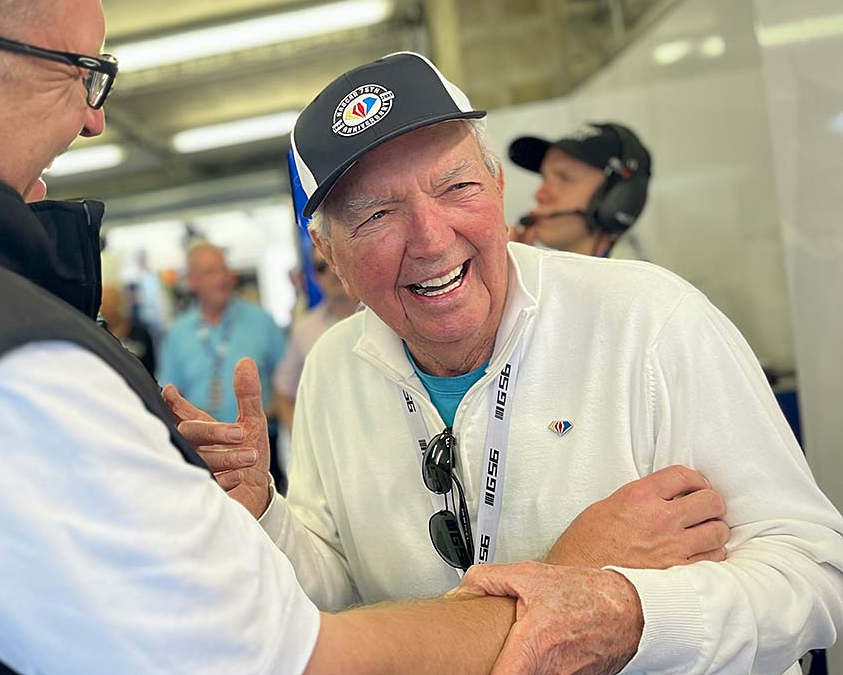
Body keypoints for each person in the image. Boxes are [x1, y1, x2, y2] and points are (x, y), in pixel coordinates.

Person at [0, 0, 689, 674]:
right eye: (74, 70)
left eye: (454, 186)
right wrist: (572, 587)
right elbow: (291, 663)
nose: (93, 117)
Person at [170, 51, 843, 675]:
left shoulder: (649, 321)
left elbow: (814, 572)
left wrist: (627, 613)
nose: (432, 240)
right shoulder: (331, 372)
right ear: (328, 253)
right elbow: (340, 590)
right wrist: (263, 511)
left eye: (456, 186)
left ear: (495, 185)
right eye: (378, 214)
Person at [157, 242, 286, 424]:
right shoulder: (178, 332)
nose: (221, 279)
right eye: (211, 272)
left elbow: (289, 381)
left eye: (224, 270)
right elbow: (170, 392)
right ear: (192, 281)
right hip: (203, 443)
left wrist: (271, 413)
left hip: (260, 437)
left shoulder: (262, 321)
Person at [507, 123, 651, 258]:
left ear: (620, 199)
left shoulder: (639, 284)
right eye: (544, 178)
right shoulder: (540, 275)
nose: (539, 195)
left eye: (565, 178)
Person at [272, 252, 358, 433]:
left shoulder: (385, 315)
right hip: (336, 445)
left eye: (335, 260)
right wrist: (301, 441)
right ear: (315, 277)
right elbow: (284, 391)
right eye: (322, 267)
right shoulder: (304, 329)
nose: (331, 272)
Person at [99, 283, 156, 375]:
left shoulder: (141, 334)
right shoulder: (98, 335)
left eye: (111, 301)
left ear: (119, 302)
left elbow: (152, 367)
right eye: (103, 303)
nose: (107, 307)